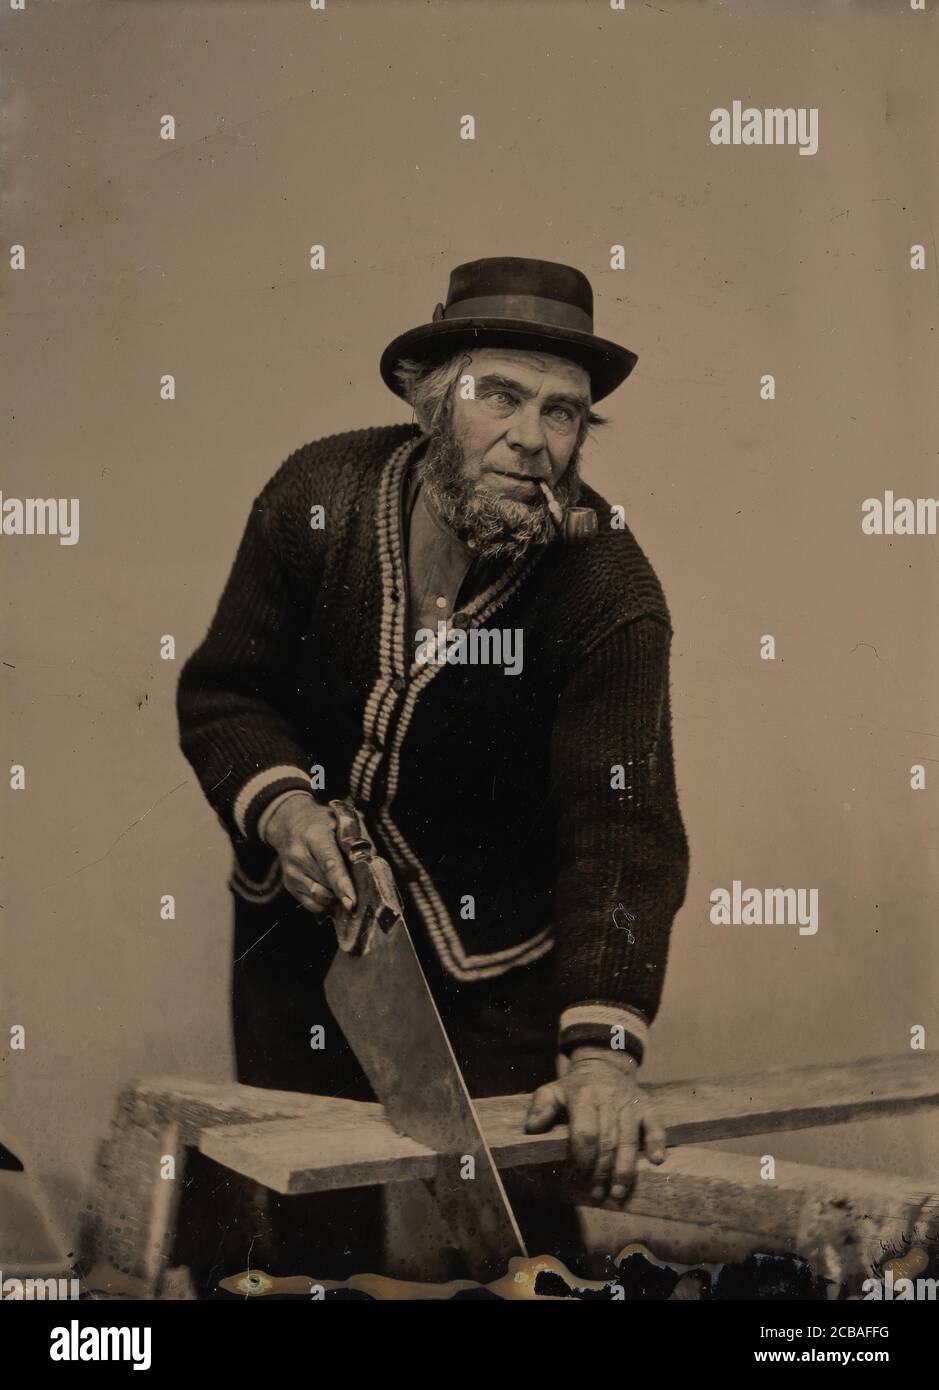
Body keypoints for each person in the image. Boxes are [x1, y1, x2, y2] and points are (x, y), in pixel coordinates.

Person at [176, 256, 690, 1279]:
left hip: (497, 955)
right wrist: (282, 812)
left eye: (562, 413)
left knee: (520, 1234)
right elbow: (228, 692)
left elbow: (620, 830)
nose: (531, 440)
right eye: (496, 395)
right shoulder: (316, 495)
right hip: (306, 934)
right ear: (426, 400)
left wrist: (598, 1057)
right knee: (301, 1215)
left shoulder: (608, 591)